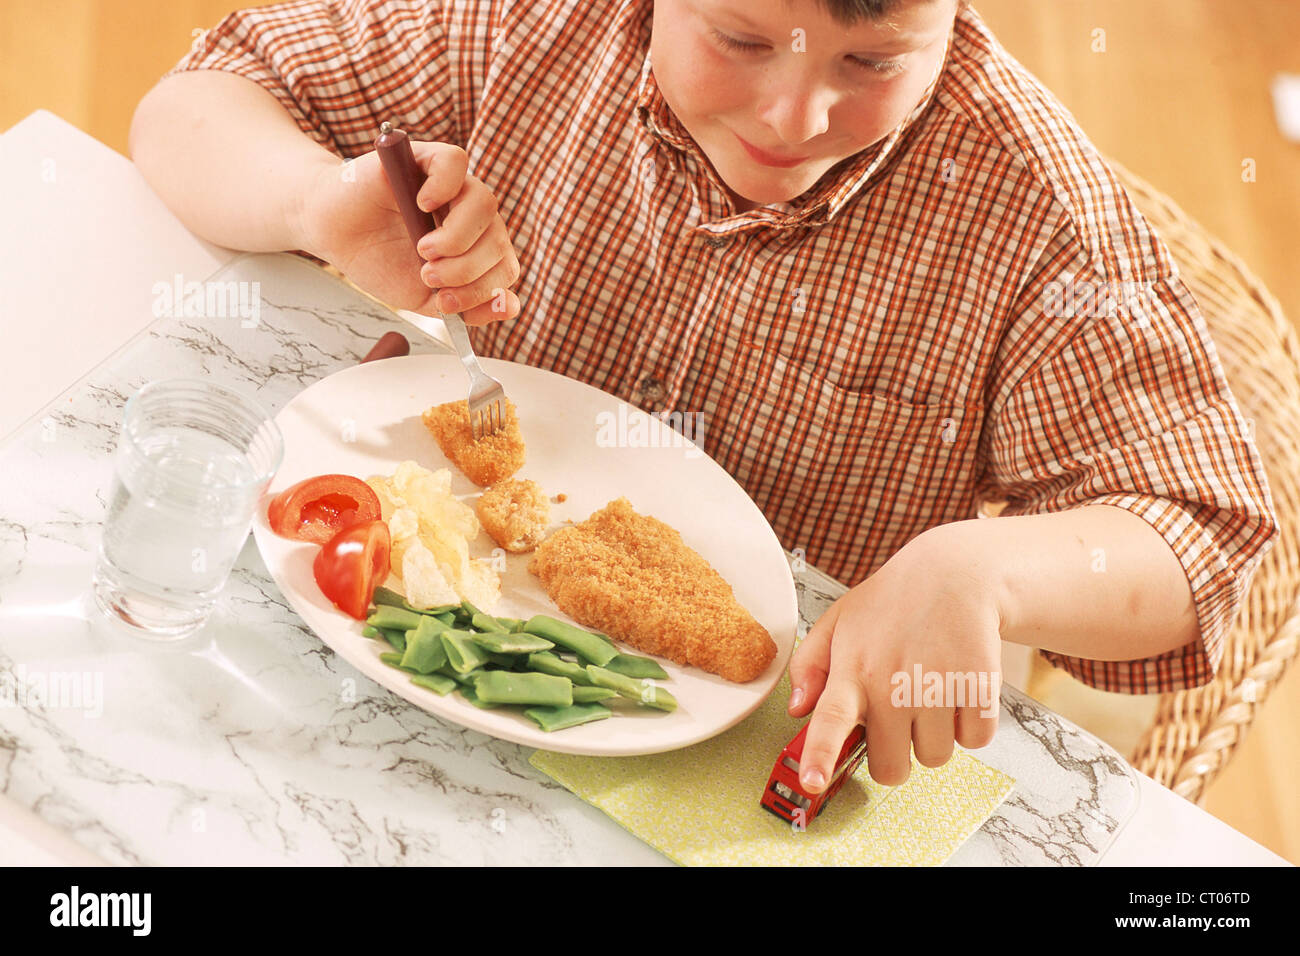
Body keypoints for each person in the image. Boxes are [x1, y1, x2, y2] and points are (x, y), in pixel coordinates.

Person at [130, 0, 1277, 796]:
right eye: (737, 37)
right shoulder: (521, 25)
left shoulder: (1034, 213)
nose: (792, 119)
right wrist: (311, 202)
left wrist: (980, 567)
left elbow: (1205, 532)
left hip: (727, 758)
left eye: (871, 64)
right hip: (367, 660)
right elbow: (195, 102)